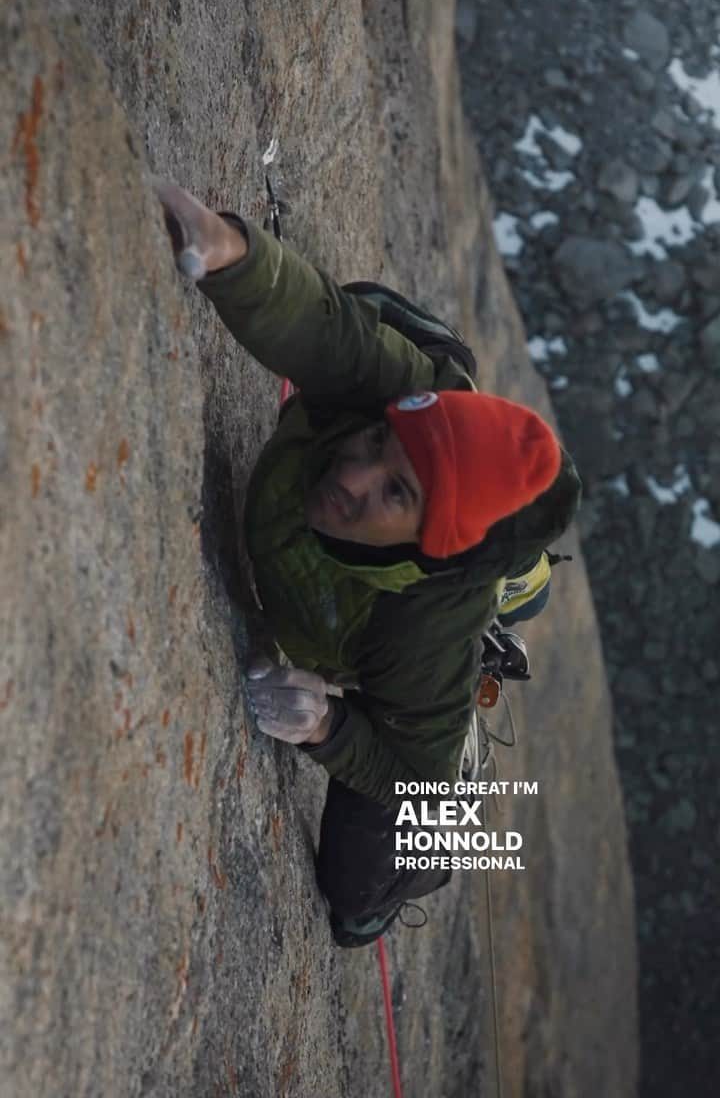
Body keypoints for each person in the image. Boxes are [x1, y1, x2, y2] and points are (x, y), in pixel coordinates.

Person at [153, 179, 582, 946]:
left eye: (393, 492)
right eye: (380, 444)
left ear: (424, 547)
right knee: (370, 317)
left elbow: (411, 773)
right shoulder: (393, 392)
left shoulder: (424, 636)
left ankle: (517, 583)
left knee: (354, 901)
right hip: (436, 466)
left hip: (433, 623)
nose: (350, 476)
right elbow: (322, 327)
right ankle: (464, 427)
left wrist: (328, 725)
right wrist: (233, 256)